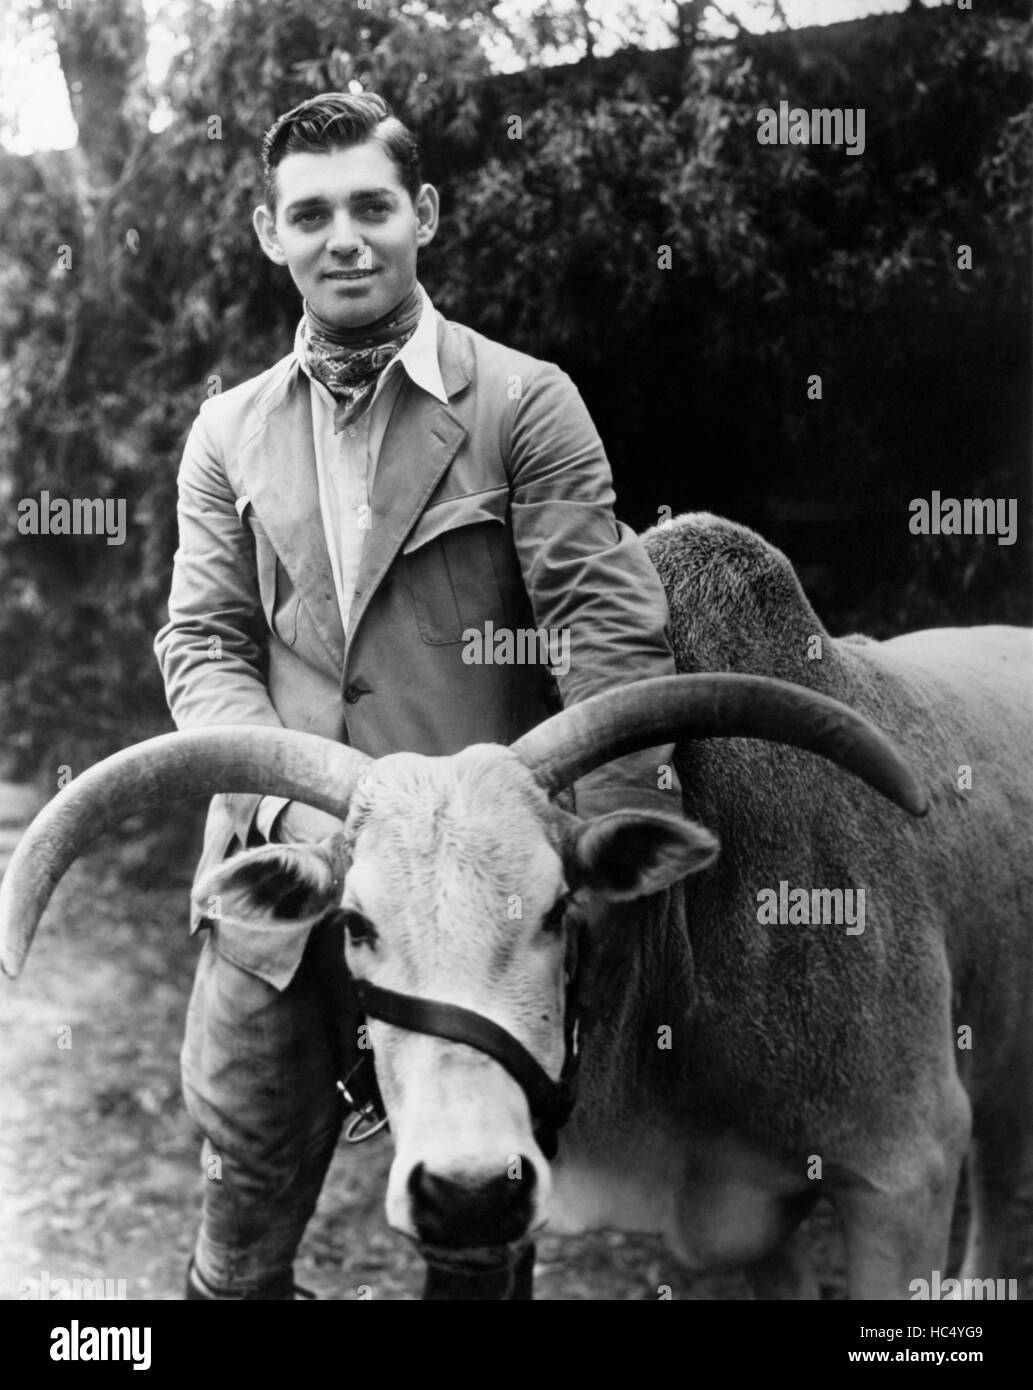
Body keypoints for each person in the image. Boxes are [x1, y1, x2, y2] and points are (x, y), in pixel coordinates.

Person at [154, 90, 683, 1300]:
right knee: (242, 1190)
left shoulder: (522, 401)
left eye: (371, 206)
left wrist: (577, 861)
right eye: (311, 213)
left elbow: (603, 632)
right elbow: (203, 643)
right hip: (289, 876)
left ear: (422, 214)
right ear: (266, 233)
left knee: (477, 1212)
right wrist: (294, 815)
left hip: (476, 904)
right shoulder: (226, 431)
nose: (344, 238)